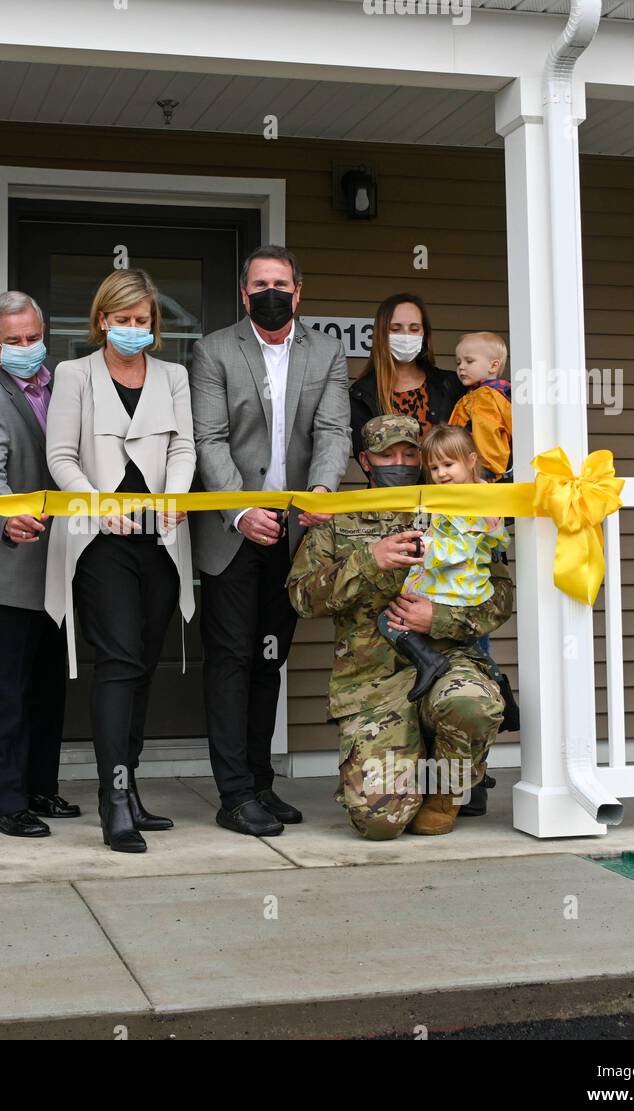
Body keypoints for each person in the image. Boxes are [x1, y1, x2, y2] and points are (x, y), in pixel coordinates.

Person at [286, 415, 514, 840]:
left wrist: (439, 618)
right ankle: (410, 768)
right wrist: (368, 561)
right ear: (365, 461)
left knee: (472, 704)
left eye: (411, 454)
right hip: (372, 682)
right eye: (387, 454)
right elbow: (301, 598)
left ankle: (445, 791)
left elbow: (500, 596)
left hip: (446, 661)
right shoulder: (337, 517)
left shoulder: (456, 506)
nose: (400, 462)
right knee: (380, 823)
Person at [189, 244, 350, 837]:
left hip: (295, 532)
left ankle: (259, 783)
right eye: (259, 284)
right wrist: (241, 510)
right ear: (244, 292)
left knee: (268, 659)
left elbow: (333, 429)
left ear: (298, 291)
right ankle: (232, 795)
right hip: (233, 531)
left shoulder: (327, 352)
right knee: (230, 661)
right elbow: (209, 439)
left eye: (280, 283)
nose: (270, 292)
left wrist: (321, 492)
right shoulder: (213, 350)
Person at [44, 268, 195, 854]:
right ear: (101, 319)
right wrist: (98, 504)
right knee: (117, 663)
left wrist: (174, 496)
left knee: (145, 664)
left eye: (142, 321)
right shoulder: (74, 374)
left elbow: (183, 446)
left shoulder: (174, 375)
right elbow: (60, 456)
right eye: (123, 320)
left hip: (160, 538)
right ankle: (112, 797)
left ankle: (130, 789)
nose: (134, 330)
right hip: (97, 538)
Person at [0, 291, 77, 838]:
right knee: (7, 687)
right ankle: (6, 803)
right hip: (8, 560)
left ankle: (41, 787)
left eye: (34, 338)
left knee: (49, 683)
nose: (27, 348)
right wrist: (4, 516)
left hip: (58, 562)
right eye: (14, 341)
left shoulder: (65, 383)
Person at [377, 424, 509, 696]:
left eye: (448, 464)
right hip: (456, 580)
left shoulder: (472, 501)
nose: (441, 473)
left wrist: (424, 547)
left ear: (472, 460)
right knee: (469, 646)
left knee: (389, 620)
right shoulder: (468, 495)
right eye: (435, 468)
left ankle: (430, 662)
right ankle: (501, 685)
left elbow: (461, 546)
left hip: (455, 581)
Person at [349, 293, 462, 459]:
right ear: (381, 334)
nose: (406, 335)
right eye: (395, 329)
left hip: (445, 484)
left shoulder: (451, 384)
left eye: (415, 328)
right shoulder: (362, 395)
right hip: (391, 485)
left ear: (425, 335)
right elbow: (367, 458)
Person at [449, 331, 513, 482]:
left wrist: (485, 471)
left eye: (469, 361)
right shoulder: (489, 394)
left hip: (484, 473)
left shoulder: (484, 397)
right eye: (458, 363)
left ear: (493, 366)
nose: (461, 367)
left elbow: (488, 434)